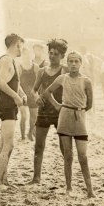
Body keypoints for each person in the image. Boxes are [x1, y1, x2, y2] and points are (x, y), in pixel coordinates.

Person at [40, 49, 94, 198]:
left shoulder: (86, 81)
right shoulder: (62, 78)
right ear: (67, 63)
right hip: (64, 117)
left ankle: (90, 189)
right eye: (70, 61)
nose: (73, 64)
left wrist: (79, 110)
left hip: (79, 118)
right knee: (68, 155)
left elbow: (90, 104)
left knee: (83, 156)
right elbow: (46, 92)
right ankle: (69, 187)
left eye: (76, 61)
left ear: (81, 63)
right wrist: (58, 105)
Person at [29, 38, 68, 185]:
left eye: (56, 54)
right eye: (50, 53)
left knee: (64, 147)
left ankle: (68, 179)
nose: (52, 56)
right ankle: (36, 178)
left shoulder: (65, 70)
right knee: (39, 146)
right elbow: (33, 90)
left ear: (62, 56)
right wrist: (36, 96)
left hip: (60, 112)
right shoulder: (41, 71)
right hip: (43, 111)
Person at [0, 33, 27, 185]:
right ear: (16, 44)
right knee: (8, 144)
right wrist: (16, 96)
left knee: (4, 144)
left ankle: (4, 179)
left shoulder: (10, 61)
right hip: (7, 106)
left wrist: (22, 93)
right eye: (21, 45)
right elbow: (0, 82)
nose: (22, 49)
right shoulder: (7, 60)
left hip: (8, 106)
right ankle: (0, 181)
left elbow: (12, 82)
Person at [18, 43, 41, 141]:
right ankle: (22, 136)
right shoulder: (19, 67)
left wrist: (36, 92)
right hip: (22, 93)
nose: (26, 56)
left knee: (34, 117)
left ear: (31, 55)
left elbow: (39, 81)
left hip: (33, 93)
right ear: (22, 56)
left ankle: (30, 133)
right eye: (24, 54)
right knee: (24, 116)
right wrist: (22, 93)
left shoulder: (35, 67)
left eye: (28, 54)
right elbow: (17, 82)